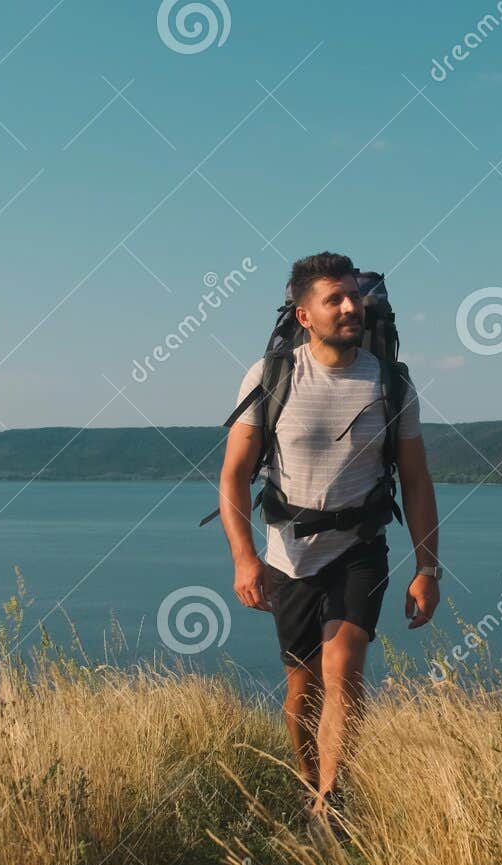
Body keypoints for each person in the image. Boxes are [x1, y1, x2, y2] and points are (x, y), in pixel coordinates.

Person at [217, 251, 441, 824]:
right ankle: (306, 781)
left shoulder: (391, 382)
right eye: (333, 300)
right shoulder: (273, 375)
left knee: (344, 666)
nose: (350, 308)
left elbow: (415, 480)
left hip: (360, 548)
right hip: (287, 555)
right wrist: (245, 559)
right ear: (304, 314)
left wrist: (427, 567)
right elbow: (233, 474)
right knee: (303, 688)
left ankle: (330, 803)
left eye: (353, 296)